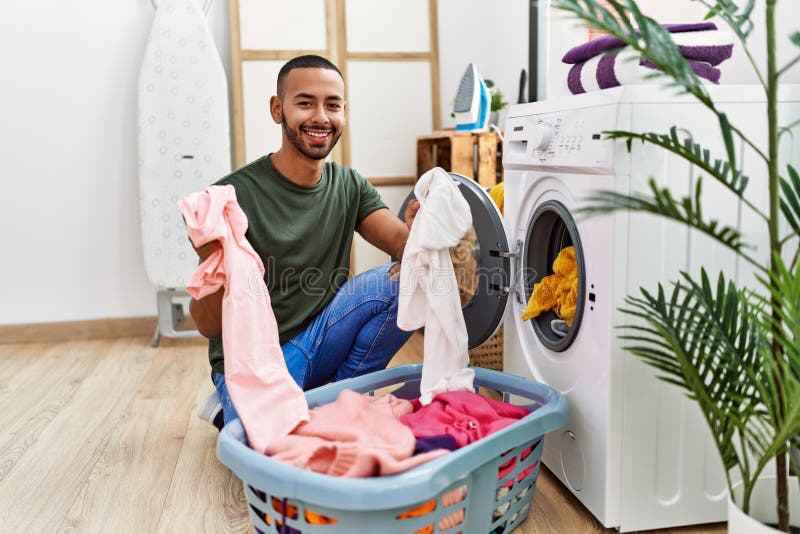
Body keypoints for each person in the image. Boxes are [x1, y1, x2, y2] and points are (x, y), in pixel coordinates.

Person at [190, 55, 420, 429]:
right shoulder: (231, 196)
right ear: (277, 109)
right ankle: (290, 406)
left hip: (322, 338)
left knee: (411, 278)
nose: (321, 118)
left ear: (344, 112)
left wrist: (419, 232)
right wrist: (217, 261)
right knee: (269, 455)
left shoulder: (349, 186)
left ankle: (344, 398)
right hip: (254, 363)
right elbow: (207, 326)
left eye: (332, 105)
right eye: (305, 102)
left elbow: (404, 248)